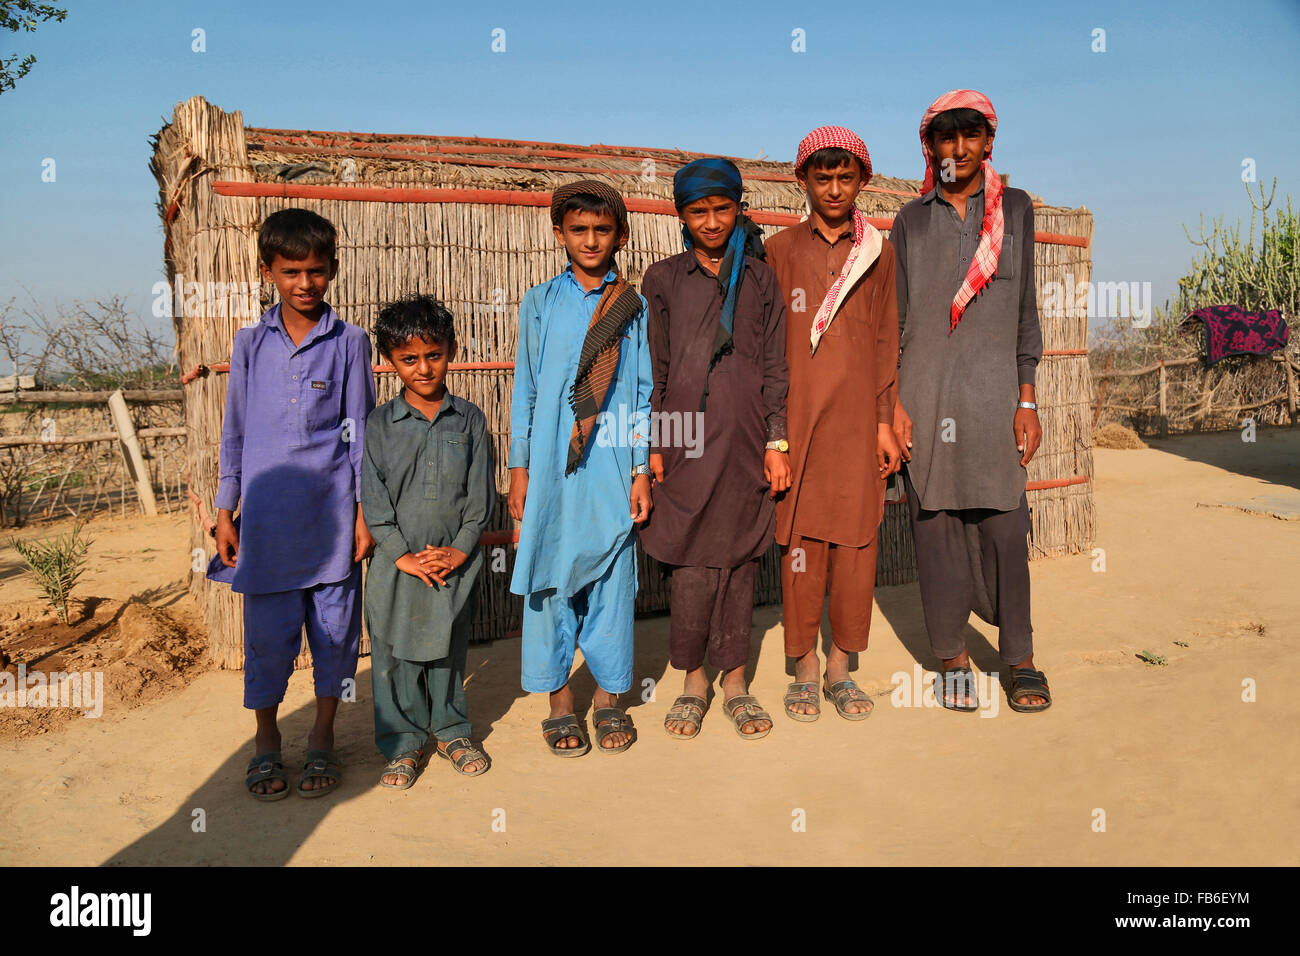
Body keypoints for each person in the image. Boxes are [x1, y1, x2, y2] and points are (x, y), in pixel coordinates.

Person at [890, 90, 1051, 713]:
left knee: (1009, 533)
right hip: (926, 402)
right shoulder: (911, 220)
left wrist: (1028, 399)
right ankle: (952, 658)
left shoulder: (1014, 209)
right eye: (945, 137)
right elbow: (898, 321)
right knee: (937, 535)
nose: (957, 148)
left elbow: (1026, 314)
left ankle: (1020, 659)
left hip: (995, 404)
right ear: (930, 148)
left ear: (989, 143)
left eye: (970, 135)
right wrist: (896, 406)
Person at [211, 208, 376, 800]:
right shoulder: (251, 343)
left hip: (332, 518)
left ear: (333, 269)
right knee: (268, 639)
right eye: (290, 271)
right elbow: (234, 432)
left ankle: (324, 738)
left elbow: (360, 432)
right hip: (267, 523)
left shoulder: (351, 342)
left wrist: (362, 514)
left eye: (316, 270)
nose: (304, 283)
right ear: (267, 271)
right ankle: (265, 743)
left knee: (335, 635)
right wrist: (225, 510)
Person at [638, 157, 790, 741]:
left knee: (740, 558)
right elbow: (654, 367)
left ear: (738, 209)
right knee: (690, 562)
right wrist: (655, 447)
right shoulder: (664, 279)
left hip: (749, 438)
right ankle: (694, 681)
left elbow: (775, 367)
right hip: (683, 438)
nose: (710, 221)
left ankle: (736, 684)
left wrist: (777, 441)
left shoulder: (759, 279)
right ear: (680, 214)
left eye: (721, 209)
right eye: (697, 211)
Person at [507, 180, 653, 757]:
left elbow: (641, 391)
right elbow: (526, 389)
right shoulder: (539, 303)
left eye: (602, 229)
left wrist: (640, 469)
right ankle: (560, 703)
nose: (591, 240)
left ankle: (608, 700)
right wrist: (520, 467)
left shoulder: (631, 307)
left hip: (612, 458)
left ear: (619, 234)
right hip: (549, 463)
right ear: (559, 233)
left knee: (612, 575)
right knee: (548, 576)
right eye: (578, 230)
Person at [764, 127, 903, 723]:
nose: (835, 188)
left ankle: (842, 667)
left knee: (855, 545)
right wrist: (774, 434)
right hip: (797, 423)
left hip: (855, 425)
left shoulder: (878, 251)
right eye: (823, 177)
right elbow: (768, 348)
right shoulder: (779, 251)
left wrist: (882, 422)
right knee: (802, 545)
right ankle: (803, 668)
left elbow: (885, 338)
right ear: (803, 181)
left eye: (846, 178)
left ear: (862, 182)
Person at [361, 295, 494, 789]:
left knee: (446, 647)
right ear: (391, 361)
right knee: (394, 652)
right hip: (397, 563)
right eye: (408, 358)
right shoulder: (379, 425)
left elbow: (479, 497)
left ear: (451, 350)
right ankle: (402, 743)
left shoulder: (470, 419)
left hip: (453, 559)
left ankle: (453, 730)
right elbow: (374, 503)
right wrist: (402, 556)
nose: (423, 368)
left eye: (433, 354)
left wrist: (460, 549)